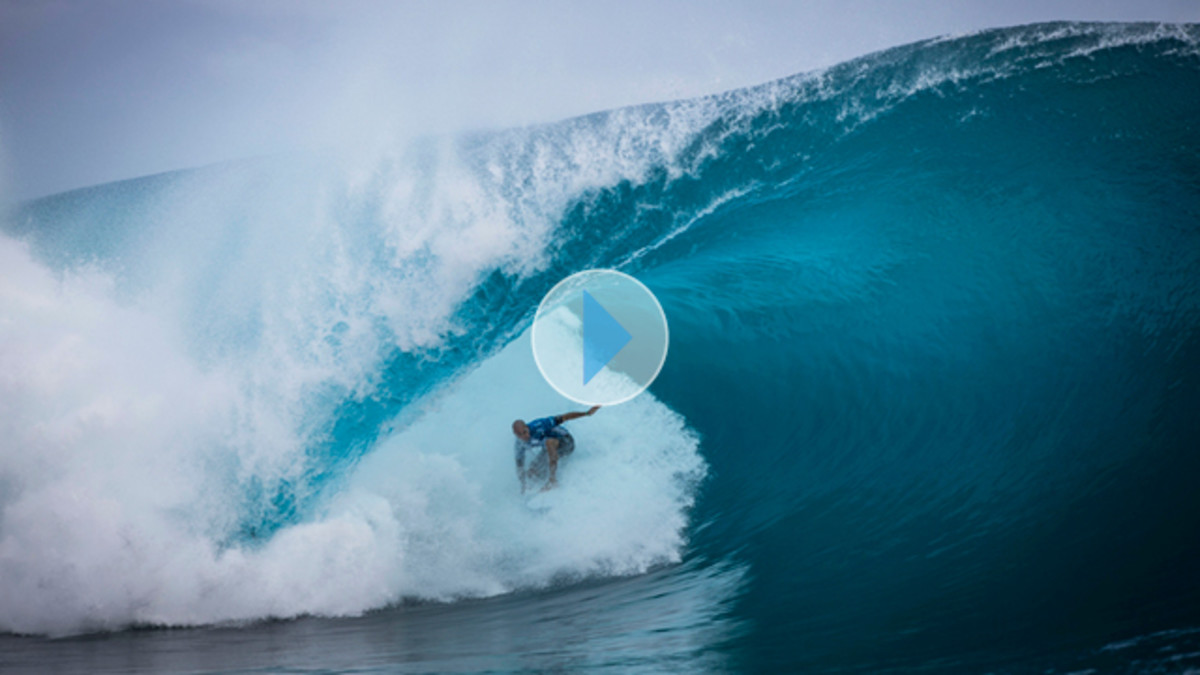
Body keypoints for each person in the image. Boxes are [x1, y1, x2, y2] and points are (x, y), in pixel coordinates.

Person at [512, 405, 600, 493]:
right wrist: (523, 484)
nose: (525, 436)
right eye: (520, 435)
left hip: (566, 443)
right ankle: (538, 485)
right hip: (549, 448)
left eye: (525, 432)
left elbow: (565, 417)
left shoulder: (540, 424)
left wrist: (587, 413)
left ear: (527, 427)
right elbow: (519, 466)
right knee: (531, 472)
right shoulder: (519, 444)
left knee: (549, 443)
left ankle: (552, 480)